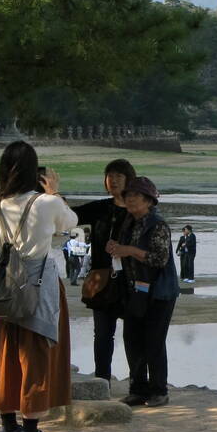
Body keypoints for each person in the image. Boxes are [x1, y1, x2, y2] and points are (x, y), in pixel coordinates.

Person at [0, 142, 76, 432]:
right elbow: (70, 224)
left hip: (6, 285)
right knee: (36, 352)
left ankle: (8, 426)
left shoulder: (0, 204)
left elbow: (0, 242)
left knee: (5, 352)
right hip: (38, 284)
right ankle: (31, 430)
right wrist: (55, 192)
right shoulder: (46, 202)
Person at [106, 176, 179, 408]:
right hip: (134, 290)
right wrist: (115, 249)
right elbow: (124, 251)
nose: (130, 200)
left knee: (154, 341)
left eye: (135, 196)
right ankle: (137, 390)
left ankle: (159, 391)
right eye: (128, 196)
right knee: (132, 339)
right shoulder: (129, 222)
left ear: (149, 201)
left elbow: (159, 259)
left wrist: (128, 250)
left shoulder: (158, 225)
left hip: (159, 293)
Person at [71, 159, 137, 384]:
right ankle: (102, 381)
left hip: (131, 282)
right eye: (110, 176)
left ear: (130, 180)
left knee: (133, 335)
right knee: (102, 335)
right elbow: (71, 216)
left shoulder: (138, 210)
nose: (114, 180)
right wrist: (52, 195)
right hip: (102, 281)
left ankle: (138, 383)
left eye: (119, 176)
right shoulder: (100, 208)